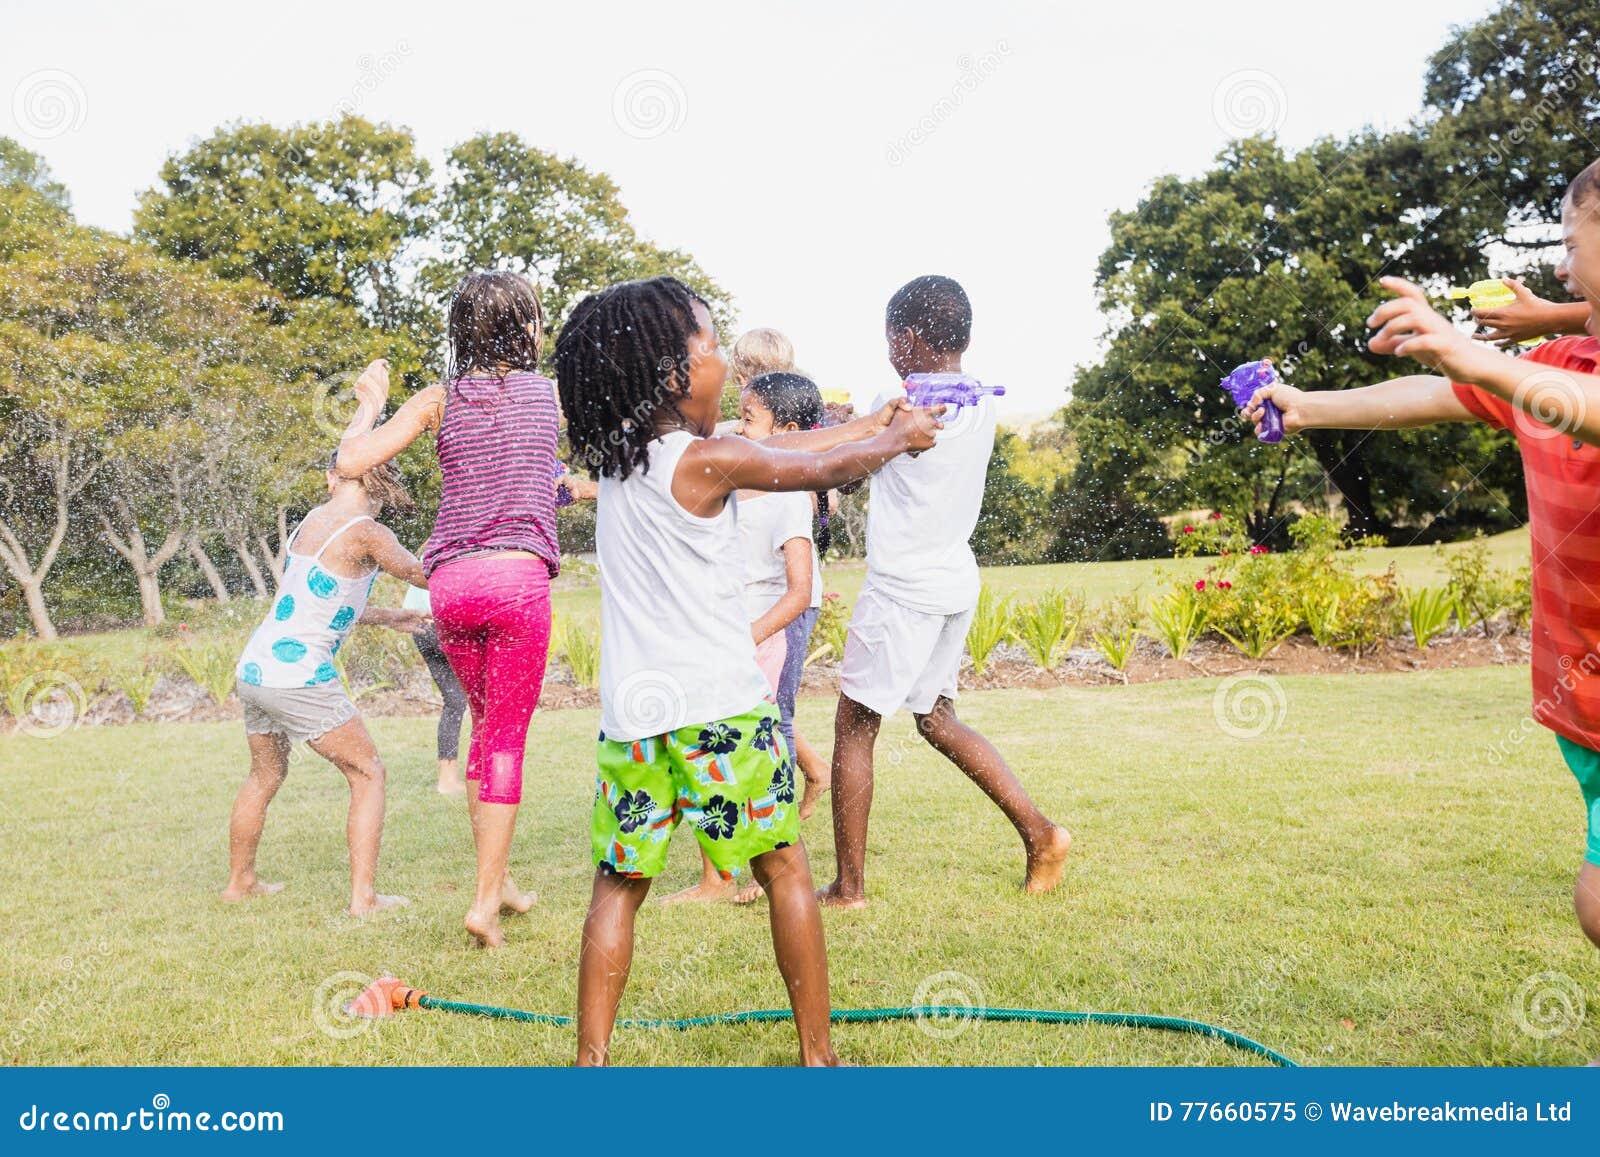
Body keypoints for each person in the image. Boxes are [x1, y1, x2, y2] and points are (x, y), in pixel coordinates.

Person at [1245, 160, 1600, 1057]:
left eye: (1571, 244)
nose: (1560, 270)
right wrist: (1307, 405)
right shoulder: (1561, 358)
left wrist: (1468, 347)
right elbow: (1437, 396)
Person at [553, 274, 942, 1066]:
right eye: (710, 347)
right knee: (787, 869)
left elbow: (774, 448)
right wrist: (895, 439)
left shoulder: (628, 465)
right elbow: (812, 471)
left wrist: (866, 420)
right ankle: (818, 1056)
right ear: (673, 375)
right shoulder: (702, 460)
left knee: (617, 885)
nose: (725, 363)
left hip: (634, 720)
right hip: (721, 710)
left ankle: (590, 1066)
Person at [821, 275, 1073, 910]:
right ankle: (1041, 834)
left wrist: (836, 430)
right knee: (935, 719)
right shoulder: (980, 399)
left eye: (889, 339)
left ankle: (848, 889)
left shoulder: (900, 398)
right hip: (952, 581)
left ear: (907, 338)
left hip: (902, 588)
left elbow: (845, 479)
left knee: (854, 728)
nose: (888, 353)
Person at [336, 271, 556, 949]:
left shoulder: (438, 398)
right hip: (517, 582)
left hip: (449, 586)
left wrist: (371, 401)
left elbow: (350, 461)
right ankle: (485, 900)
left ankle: (503, 882)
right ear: (526, 329)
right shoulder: (549, 394)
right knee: (506, 741)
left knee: (483, 727)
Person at [223, 447, 427, 916]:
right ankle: (364, 900)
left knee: (265, 773)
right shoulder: (368, 533)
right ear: (380, 481)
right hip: (299, 678)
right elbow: (424, 573)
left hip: (257, 668)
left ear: (333, 479)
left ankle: (240, 882)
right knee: (367, 772)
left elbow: (320, 602)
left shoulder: (314, 519)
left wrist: (392, 615)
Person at [662, 370, 828, 906]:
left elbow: (799, 592)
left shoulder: (787, 498)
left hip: (754, 642)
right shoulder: (730, 485)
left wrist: (747, 636)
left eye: (749, 418)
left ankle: (733, 877)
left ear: (789, 430)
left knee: (742, 754)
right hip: (718, 636)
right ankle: (729, 876)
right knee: (709, 750)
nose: (737, 425)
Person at [402, 579, 469, 795]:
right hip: (445, 628)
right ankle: (489, 771)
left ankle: (447, 780)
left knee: (455, 702)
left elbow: (407, 609)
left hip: (421, 631)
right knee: (482, 698)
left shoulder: (424, 558)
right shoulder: (454, 552)